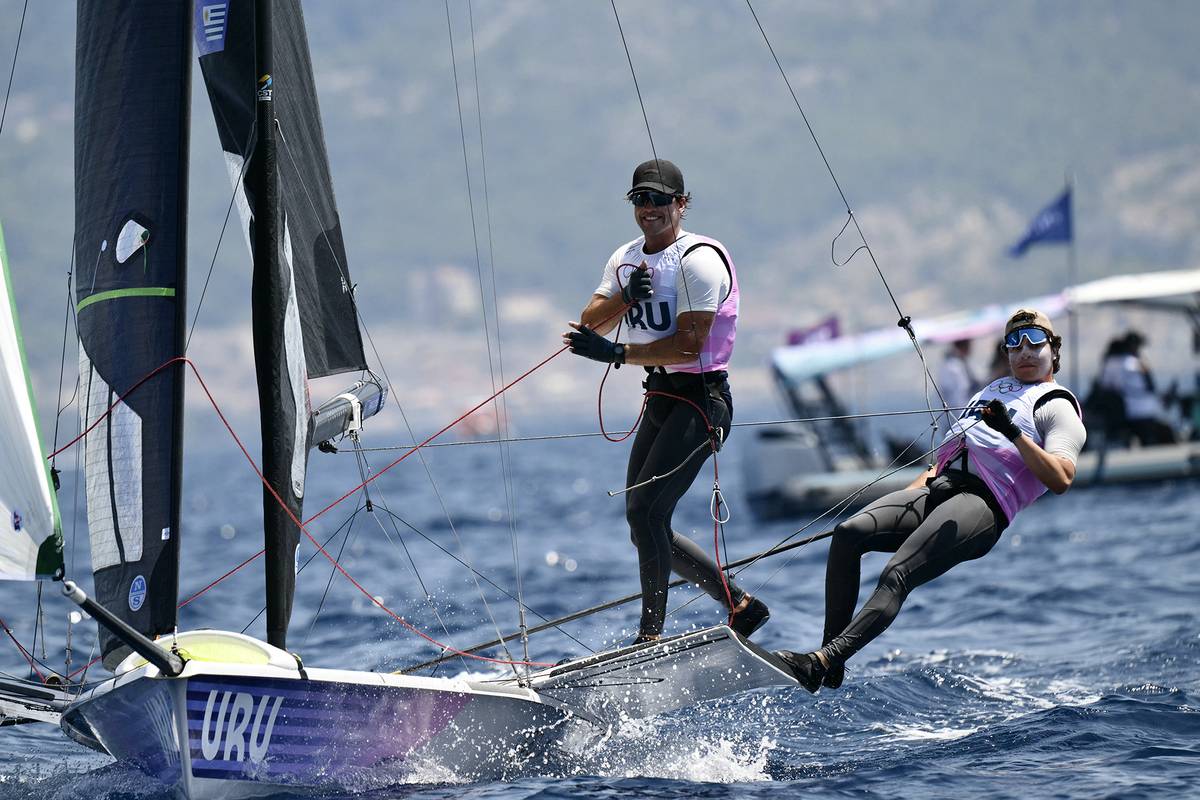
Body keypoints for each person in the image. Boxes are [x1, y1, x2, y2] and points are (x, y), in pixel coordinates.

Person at [775, 309, 1086, 691]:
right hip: (937, 490)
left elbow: (1062, 478)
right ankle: (829, 663)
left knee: (897, 573)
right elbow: (943, 461)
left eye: (1035, 341)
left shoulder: (1056, 404)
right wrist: (899, 502)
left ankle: (821, 661)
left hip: (982, 505)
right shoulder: (992, 390)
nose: (1024, 350)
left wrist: (1013, 433)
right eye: (1014, 342)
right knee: (848, 533)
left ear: (1054, 351)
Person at [562, 158, 768, 644]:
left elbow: (689, 345)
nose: (649, 209)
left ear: (681, 203)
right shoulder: (626, 256)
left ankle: (649, 636)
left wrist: (616, 352)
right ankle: (739, 605)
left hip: (703, 399)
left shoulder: (699, 259)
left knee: (649, 513)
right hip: (659, 397)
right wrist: (625, 298)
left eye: (659, 199)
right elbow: (590, 320)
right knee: (641, 520)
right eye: (640, 199)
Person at [1098, 331, 1176, 446]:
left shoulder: (1116, 363)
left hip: (1132, 411)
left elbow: (1106, 385)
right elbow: (1149, 385)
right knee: (1154, 440)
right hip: (1142, 412)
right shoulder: (1132, 363)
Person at [938, 338, 978, 422]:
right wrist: (963, 419)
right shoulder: (954, 367)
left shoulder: (960, 362)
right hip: (958, 416)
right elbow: (959, 395)